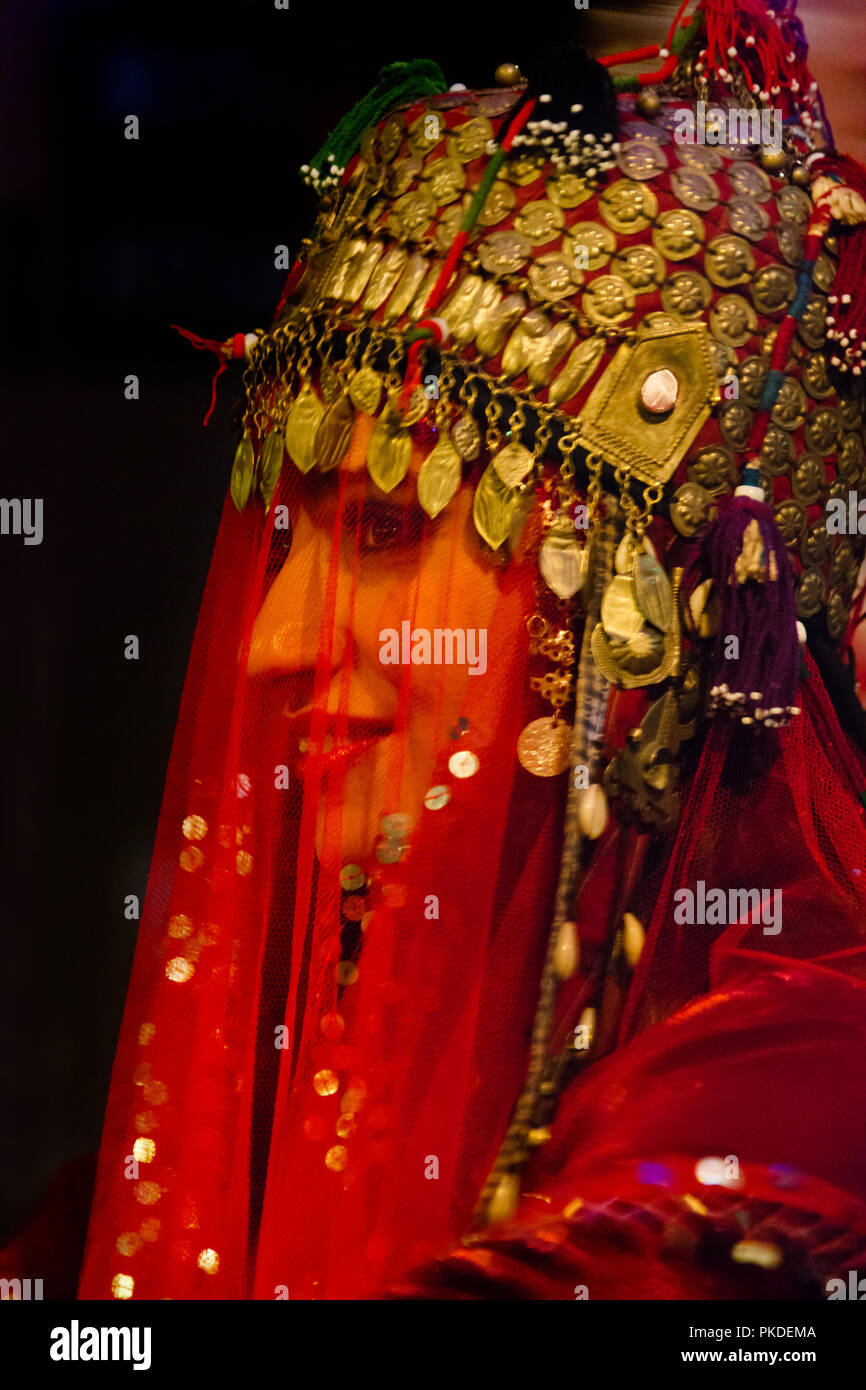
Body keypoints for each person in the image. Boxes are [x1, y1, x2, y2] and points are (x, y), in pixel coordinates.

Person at [75, 0, 866, 1300]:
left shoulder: (789, 1106)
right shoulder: (359, 1004)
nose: (275, 640)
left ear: (641, 605)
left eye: (384, 528)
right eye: (285, 550)